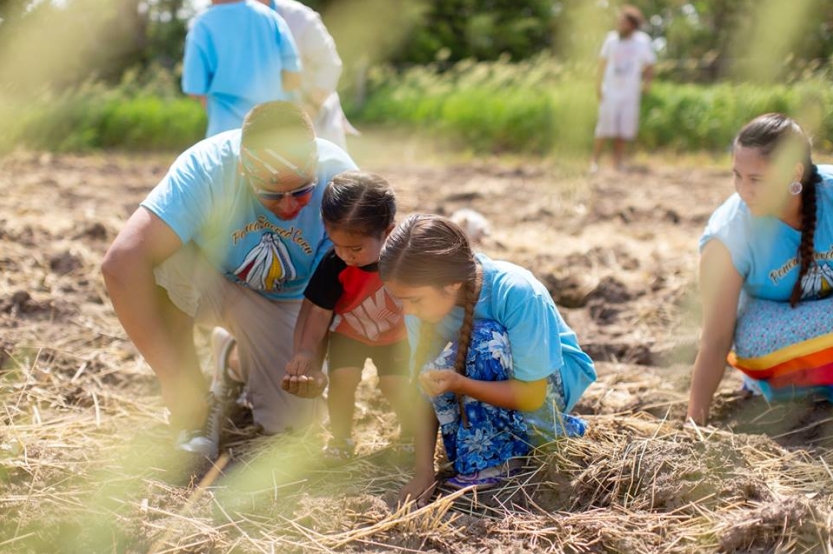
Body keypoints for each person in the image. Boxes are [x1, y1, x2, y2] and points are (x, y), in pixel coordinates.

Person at [101, 101, 357, 459]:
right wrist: (173, 379)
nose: (289, 207)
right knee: (161, 256)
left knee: (292, 425)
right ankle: (194, 402)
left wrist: (311, 355)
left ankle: (232, 359)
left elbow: (342, 286)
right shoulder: (208, 168)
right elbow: (121, 264)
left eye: (301, 191)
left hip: (295, 302)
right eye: (271, 193)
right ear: (243, 170)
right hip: (212, 283)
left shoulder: (340, 180)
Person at [378, 215, 596, 502]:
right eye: (400, 299)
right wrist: (423, 471)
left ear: (453, 283)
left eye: (414, 300)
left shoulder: (516, 291)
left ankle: (512, 455)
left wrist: (460, 384)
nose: (406, 310)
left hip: (544, 389)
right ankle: (491, 451)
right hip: (483, 385)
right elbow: (423, 392)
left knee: (484, 339)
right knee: (435, 370)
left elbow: (532, 395)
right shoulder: (418, 310)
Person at [687, 113, 833, 425]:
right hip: (767, 337)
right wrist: (694, 420)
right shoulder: (728, 234)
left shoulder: (830, 195)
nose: (742, 190)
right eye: (737, 175)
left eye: (756, 179)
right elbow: (715, 339)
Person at [281, 171, 411, 460]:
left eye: (355, 248)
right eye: (335, 243)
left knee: (396, 385)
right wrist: (305, 349)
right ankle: (341, 438)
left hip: (394, 337)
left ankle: (411, 432)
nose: (345, 255)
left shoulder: (405, 260)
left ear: (388, 233)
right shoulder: (334, 264)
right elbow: (318, 311)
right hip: (348, 333)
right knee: (341, 382)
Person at [182, 0, 302, 138]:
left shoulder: (202, 25)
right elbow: (294, 78)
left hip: (226, 136)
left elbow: (194, 89)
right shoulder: (270, 17)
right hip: (273, 132)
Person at [266, 0, 355, 150]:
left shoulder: (299, 17)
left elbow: (329, 64)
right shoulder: (232, 16)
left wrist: (310, 108)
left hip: (314, 113)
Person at [590, 5, 656, 173]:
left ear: (632, 25)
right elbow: (602, 63)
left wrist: (647, 83)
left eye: (624, 22)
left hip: (630, 92)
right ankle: (594, 161)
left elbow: (649, 65)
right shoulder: (611, 39)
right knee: (604, 127)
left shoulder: (642, 41)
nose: (620, 24)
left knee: (623, 129)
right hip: (610, 91)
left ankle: (617, 163)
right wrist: (598, 85)